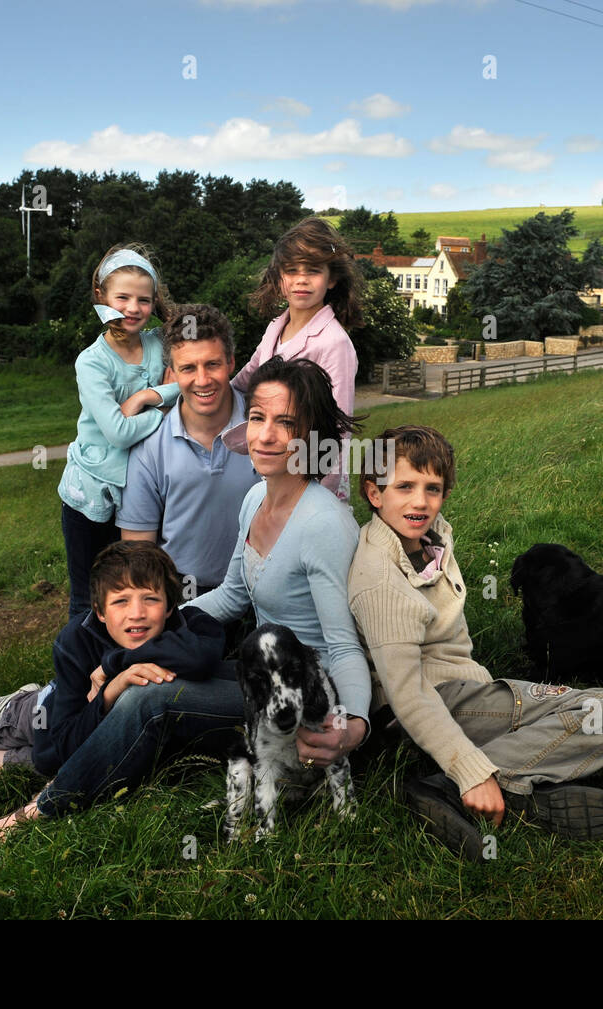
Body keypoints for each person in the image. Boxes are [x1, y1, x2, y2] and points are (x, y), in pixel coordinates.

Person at [348, 425, 603, 862]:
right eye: (404, 486)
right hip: (433, 703)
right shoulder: (380, 580)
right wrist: (471, 772)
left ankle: (518, 796)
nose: (420, 502)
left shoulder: (425, 538)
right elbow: (406, 692)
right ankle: (455, 786)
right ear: (374, 493)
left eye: (433, 488)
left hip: (461, 691)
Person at [0, 541, 242, 855]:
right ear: (99, 611)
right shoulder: (75, 640)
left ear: (170, 606)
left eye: (151, 599)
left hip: (107, 725)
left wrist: (114, 669)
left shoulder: (195, 626)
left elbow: (200, 661)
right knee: (22, 761)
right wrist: (110, 693)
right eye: (120, 601)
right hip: (46, 719)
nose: (137, 613)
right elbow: (57, 752)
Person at [186, 356, 371, 768]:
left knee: (152, 700)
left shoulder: (324, 524)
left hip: (301, 693)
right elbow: (230, 597)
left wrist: (353, 724)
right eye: (256, 417)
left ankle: (44, 806)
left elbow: (343, 646)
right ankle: (30, 710)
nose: (265, 436)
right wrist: (158, 624)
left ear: (311, 436)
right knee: (149, 666)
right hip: (259, 672)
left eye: (286, 423)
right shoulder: (255, 498)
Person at [58, 243, 180, 618]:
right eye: (122, 297)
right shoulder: (92, 362)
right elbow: (119, 433)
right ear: (101, 296)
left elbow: (187, 381)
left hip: (140, 490)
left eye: (143, 300)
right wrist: (163, 414)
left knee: (135, 588)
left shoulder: (159, 342)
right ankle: (75, 675)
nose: (133, 308)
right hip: (91, 492)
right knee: (90, 595)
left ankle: (125, 667)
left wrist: (147, 395)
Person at [117, 304, 260, 598]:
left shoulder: (263, 423)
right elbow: (138, 549)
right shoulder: (150, 444)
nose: (203, 380)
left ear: (231, 362)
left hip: (261, 590)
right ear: (172, 372)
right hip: (182, 594)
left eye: (212, 364)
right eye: (188, 368)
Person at [232, 217, 362, 501]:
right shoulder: (275, 328)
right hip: (274, 472)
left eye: (313, 270)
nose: (301, 279)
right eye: (291, 270)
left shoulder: (334, 343)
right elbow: (243, 381)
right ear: (279, 279)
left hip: (311, 485)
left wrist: (320, 497)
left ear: (332, 278)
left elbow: (339, 431)